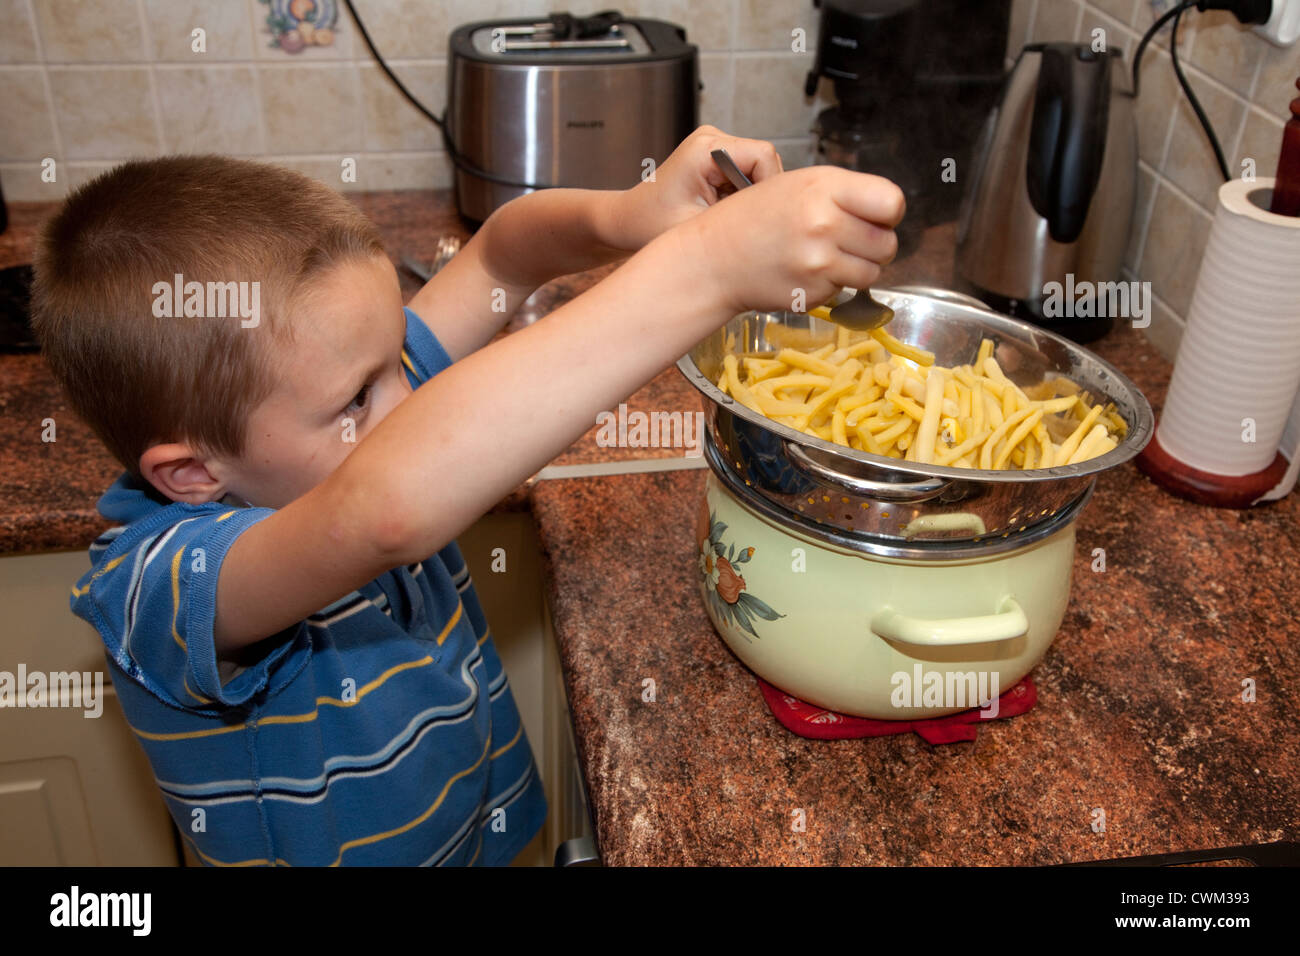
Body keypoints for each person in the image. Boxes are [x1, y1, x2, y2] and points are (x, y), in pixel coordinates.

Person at [30, 126, 904, 865]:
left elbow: (500, 253)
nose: (409, 392)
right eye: (357, 400)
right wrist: (706, 269)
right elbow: (384, 513)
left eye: (392, 362)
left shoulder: (343, 394)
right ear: (190, 476)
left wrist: (633, 215)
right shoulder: (159, 582)